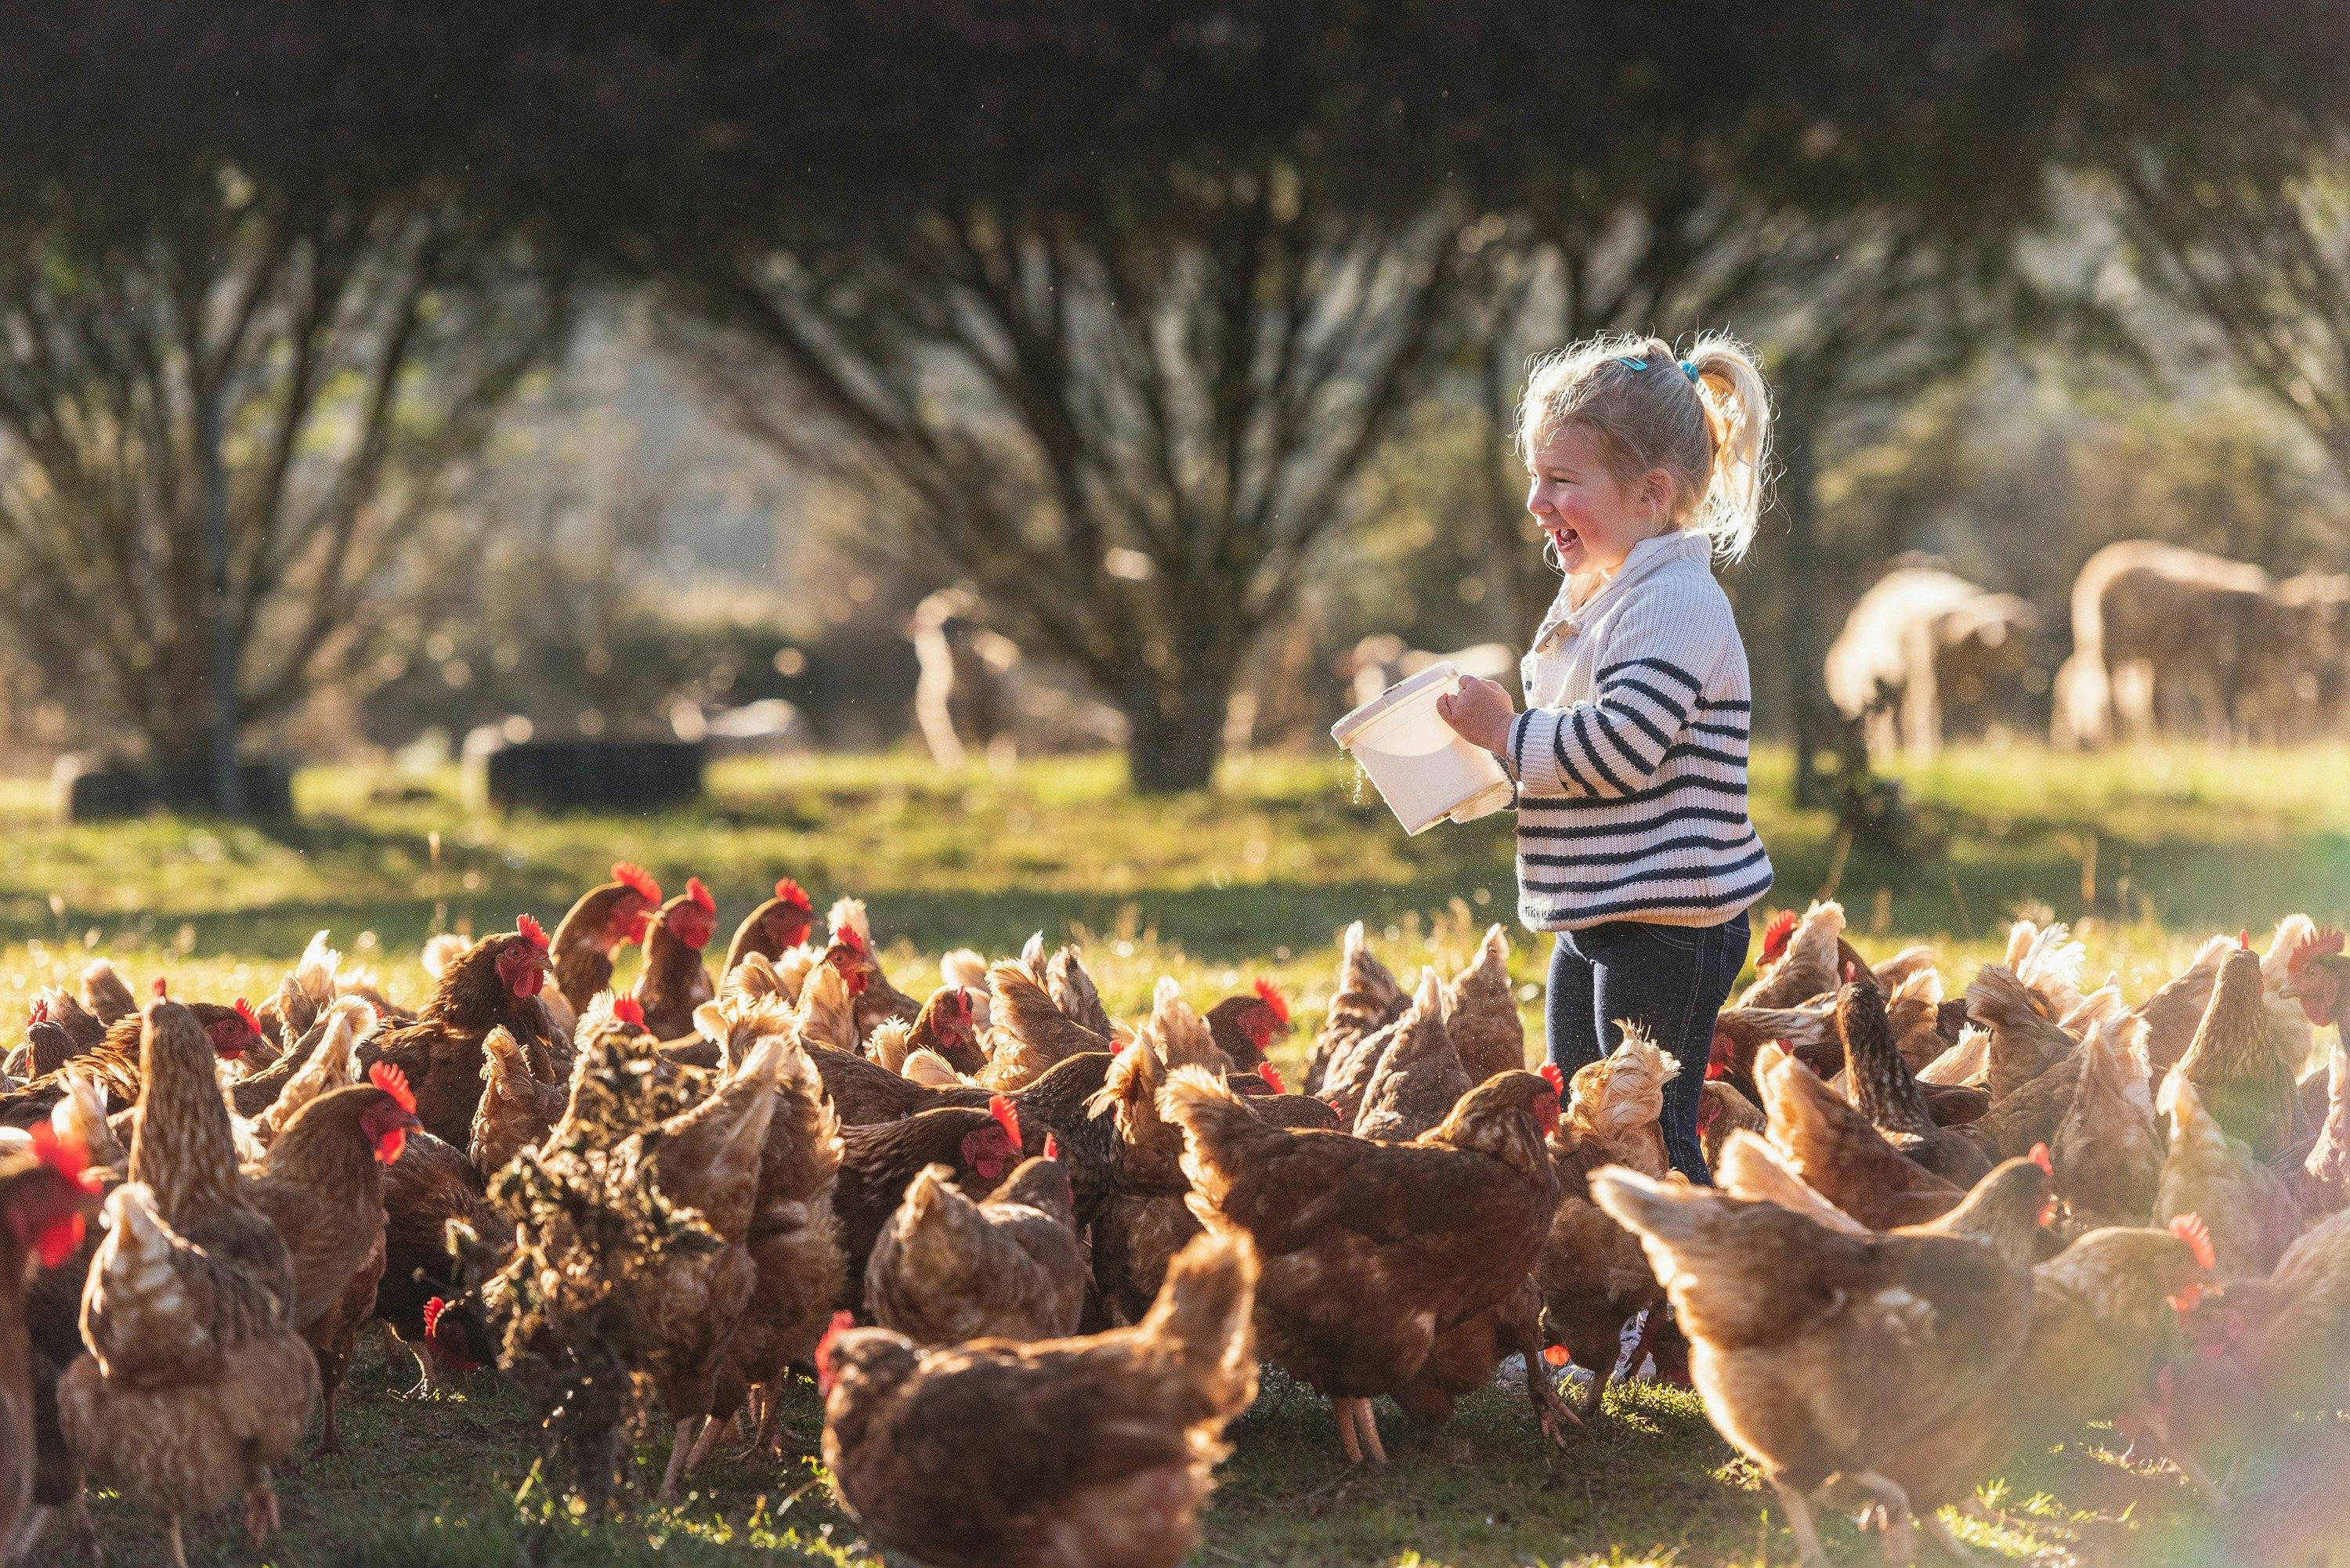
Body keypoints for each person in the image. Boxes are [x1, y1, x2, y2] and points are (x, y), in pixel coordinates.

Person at [1437, 332, 1773, 1182]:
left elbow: (1619, 748)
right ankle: (1605, 1301)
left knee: (1648, 1134)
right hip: (1597, 912)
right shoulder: (1608, 593)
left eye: (1560, 479)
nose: (1535, 500)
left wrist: (1507, 736)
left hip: (1666, 924)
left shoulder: (1675, 602)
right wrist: (1484, 767)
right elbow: (1583, 757)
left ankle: (1670, 1299)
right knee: (1585, 1123)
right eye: (1536, 475)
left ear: (1651, 494)